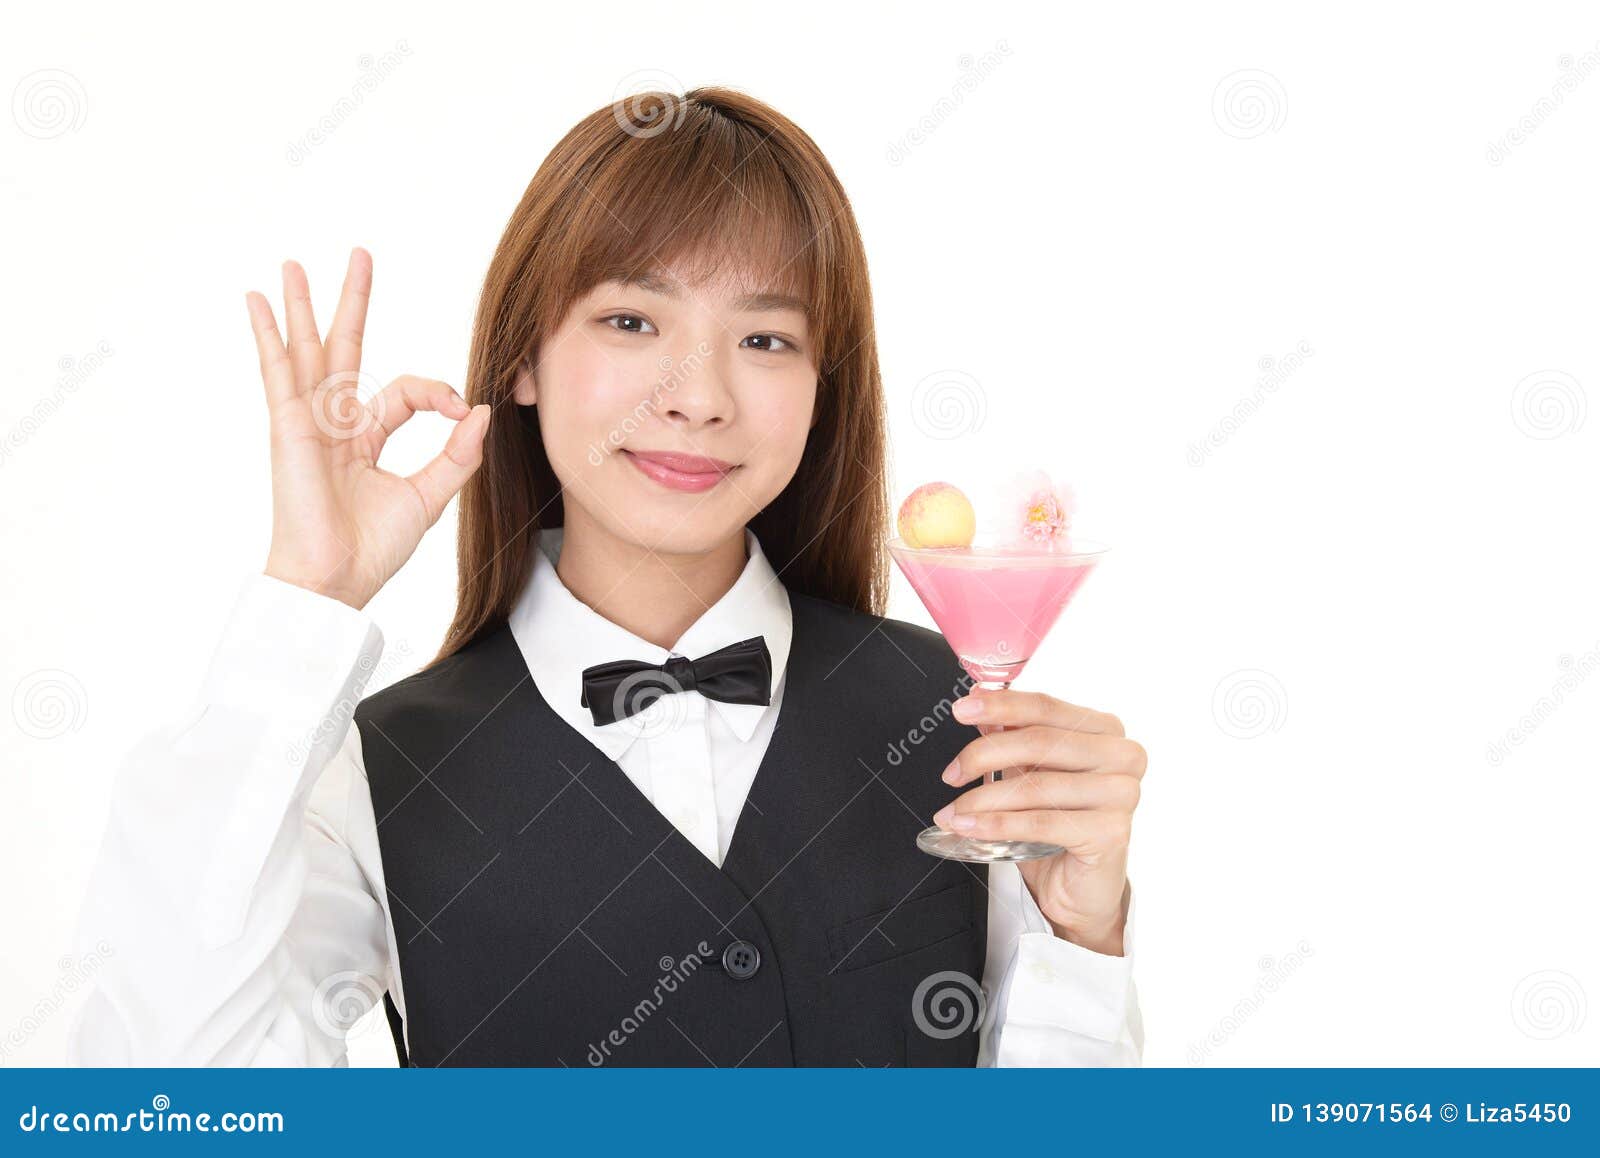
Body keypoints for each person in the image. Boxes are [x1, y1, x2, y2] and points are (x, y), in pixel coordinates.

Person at [67, 86, 1146, 1067]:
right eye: (632, 321)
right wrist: (306, 598)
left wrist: (1081, 933)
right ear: (523, 361)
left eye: (766, 339)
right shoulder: (372, 774)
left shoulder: (963, 729)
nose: (698, 397)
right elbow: (161, 1088)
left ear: (824, 388)